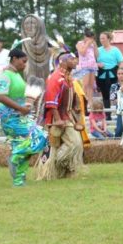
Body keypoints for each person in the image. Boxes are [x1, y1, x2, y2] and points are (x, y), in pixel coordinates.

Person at [0, 48, 47, 186]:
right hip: (9, 117)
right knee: (40, 136)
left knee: (25, 146)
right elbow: (0, 96)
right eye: (23, 61)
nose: (25, 65)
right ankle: (15, 156)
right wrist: (21, 108)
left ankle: (19, 180)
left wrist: (28, 104)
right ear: (14, 59)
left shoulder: (17, 75)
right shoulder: (5, 75)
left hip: (19, 115)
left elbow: (18, 96)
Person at [37, 50, 86, 180]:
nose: (75, 61)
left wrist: (75, 108)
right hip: (56, 119)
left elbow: (69, 99)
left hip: (67, 117)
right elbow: (51, 100)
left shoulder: (68, 78)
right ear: (63, 62)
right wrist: (58, 120)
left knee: (75, 145)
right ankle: (53, 167)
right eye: (72, 59)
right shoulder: (56, 78)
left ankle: (61, 170)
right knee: (68, 144)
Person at [96, 31, 123, 121]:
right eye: (100, 38)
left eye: (103, 38)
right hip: (101, 75)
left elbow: (121, 61)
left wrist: (122, 73)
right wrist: (97, 64)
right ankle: (107, 115)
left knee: (117, 94)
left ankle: (119, 114)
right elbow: (91, 62)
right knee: (105, 95)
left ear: (108, 39)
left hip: (114, 74)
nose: (101, 40)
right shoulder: (98, 50)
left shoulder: (115, 50)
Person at [75, 28, 99, 104]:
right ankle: (83, 101)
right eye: (89, 38)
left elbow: (96, 55)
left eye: (92, 38)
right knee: (85, 84)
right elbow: (82, 53)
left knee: (91, 85)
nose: (91, 40)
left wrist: (95, 46)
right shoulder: (79, 43)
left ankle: (90, 102)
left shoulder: (92, 44)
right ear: (85, 37)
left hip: (92, 66)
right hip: (84, 66)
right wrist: (87, 44)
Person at [110, 66, 123, 138]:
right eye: (119, 74)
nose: (120, 75)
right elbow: (112, 98)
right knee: (119, 128)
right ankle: (116, 140)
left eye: (122, 73)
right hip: (120, 107)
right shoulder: (114, 86)